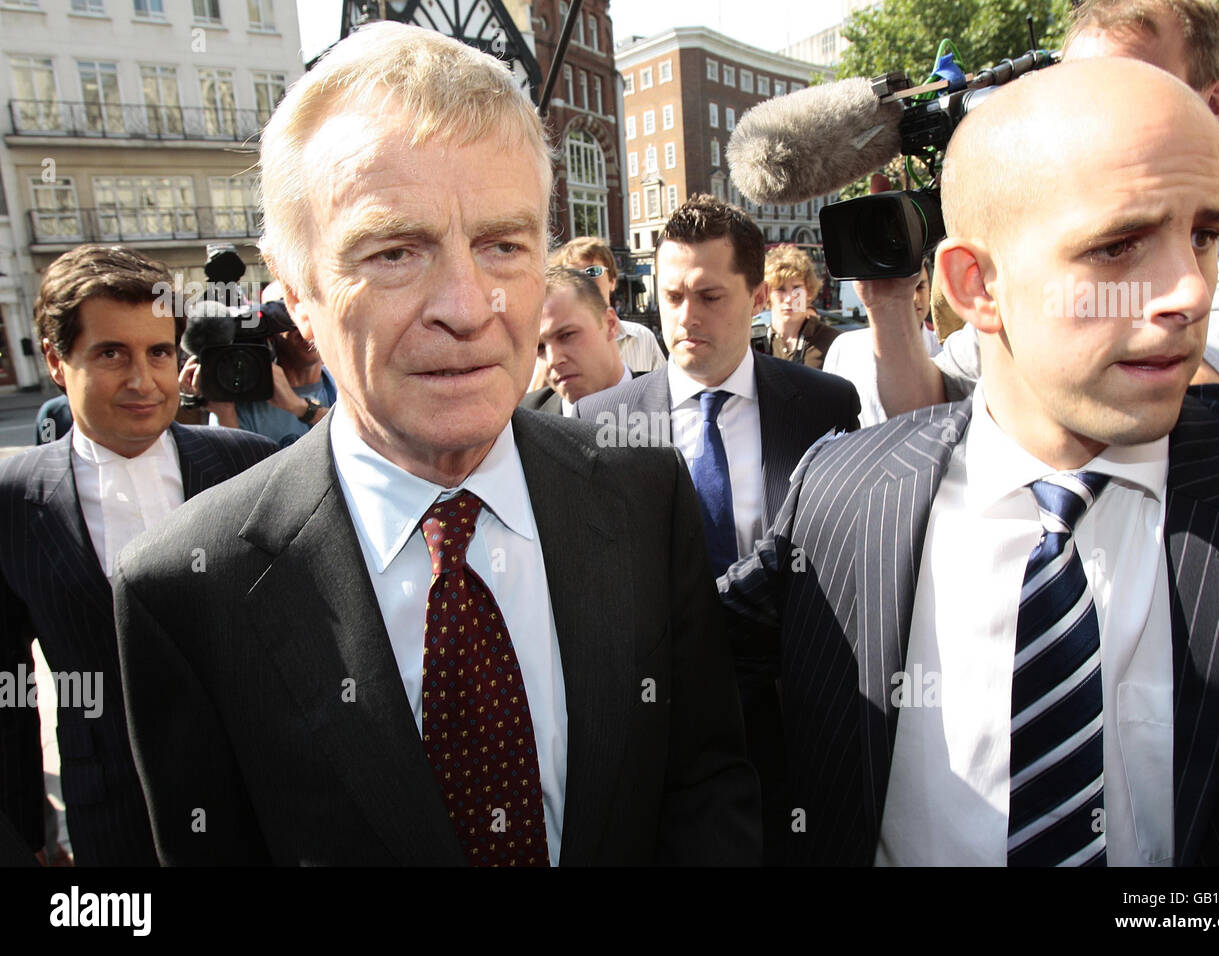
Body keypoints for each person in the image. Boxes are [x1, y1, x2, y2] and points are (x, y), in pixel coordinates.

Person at [112, 23, 760, 866]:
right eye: (395, 251)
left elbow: (705, 784)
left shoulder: (645, 499)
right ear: (298, 291)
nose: (469, 303)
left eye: (502, 243)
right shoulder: (188, 591)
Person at [719, 57, 1219, 867]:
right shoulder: (842, 494)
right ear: (976, 284)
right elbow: (666, 682)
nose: (1190, 292)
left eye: (1203, 235)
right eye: (1118, 247)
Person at [574, 194, 860, 863]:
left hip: (796, 718)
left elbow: (845, 559)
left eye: (709, 296)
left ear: (757, 295)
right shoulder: (596, 421)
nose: (686, 317)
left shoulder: (823, 403)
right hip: (663, 734)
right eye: (671, 296)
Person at [869, 0, 1219, 418]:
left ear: (1214, 105)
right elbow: (928, 418)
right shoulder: (1033, 261)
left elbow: (1188, 422)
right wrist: (889, 302)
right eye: (1070, 94)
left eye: (1202, 239)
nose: (1190, 296)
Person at [0, 244, 276, 866]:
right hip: (114, 822)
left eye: (158, 352)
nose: (142, 379)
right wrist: (27, 836)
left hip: (264, 809)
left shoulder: (250, 466)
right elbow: (10, 694)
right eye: (110, 353)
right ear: (55, 359)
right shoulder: (13, 503)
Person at [179, 280, 336, 447]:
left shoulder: (344, 384)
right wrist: (224, 412)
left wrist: (301, 408)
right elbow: (236, 468)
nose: (304, 328)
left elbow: (362, 437)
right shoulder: (241, 400)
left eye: (310, 311)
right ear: (267, 333)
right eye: (289, 315)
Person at [823, 260, 940, 427]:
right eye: (903, 287)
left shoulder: (947, 351)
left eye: (920, 287)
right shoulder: (846, 349)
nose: (914, 297)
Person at [520, 267, 637, 416]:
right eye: (539, 348)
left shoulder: (671, 401)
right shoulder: (519, 423)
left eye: (567, 335)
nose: (553, 361)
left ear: (610, 324)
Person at [549, 237, 665, 373]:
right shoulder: (552, 351)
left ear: (612, 281)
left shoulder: (642, 339)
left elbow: (665, 391)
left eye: (593, 271)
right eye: (573, 275)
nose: (584, 281)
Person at [763, 244, 840, 369]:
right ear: (766, 294)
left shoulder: (834, 341)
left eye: (796, 288)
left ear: (808, 291)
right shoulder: (752, 343)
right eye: (780, 289)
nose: (789, 298)